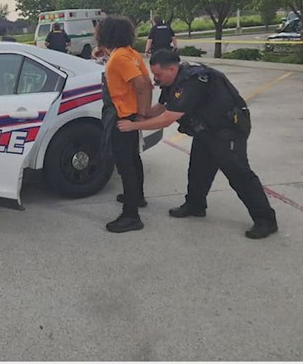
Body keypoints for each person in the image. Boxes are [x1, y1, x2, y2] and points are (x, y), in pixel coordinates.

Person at [117, 49, 278, 239]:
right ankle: (195, 205)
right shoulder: (171, 82)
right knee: (198, 169)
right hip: (207, 130)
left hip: (228, 130)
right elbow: (161, 108)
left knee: (239, 174)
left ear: (172, 69)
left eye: (158, 74)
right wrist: (140, 114)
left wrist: (134, 126)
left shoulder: (193, 81)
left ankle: (266, 220)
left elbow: (168, 118)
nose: (156, 78)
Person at [98, 15, 153, 233]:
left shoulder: (119, 58)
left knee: (125, 165)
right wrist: (142, 114)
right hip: (130, 116)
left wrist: (141, 116)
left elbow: (142, 85)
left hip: (122, 117)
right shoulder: (131, 54)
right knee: (133, 158)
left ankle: (131, 215)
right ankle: (137, 197)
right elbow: (146, 83)